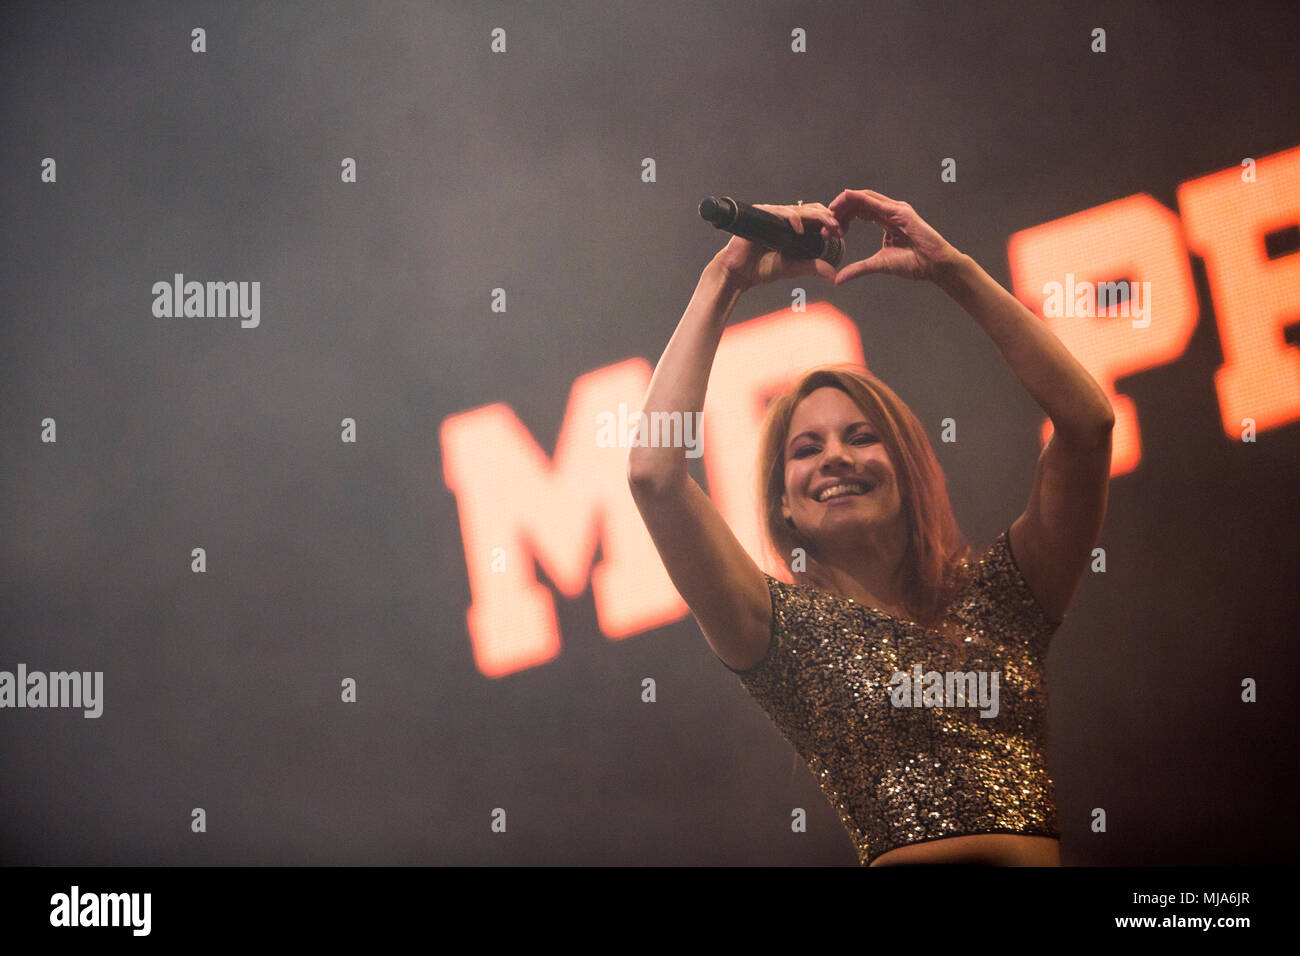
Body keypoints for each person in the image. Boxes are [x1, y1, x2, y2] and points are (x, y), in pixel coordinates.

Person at [627, 190, 1114, 865]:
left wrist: (955, 272)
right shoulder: (778, 634)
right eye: (805, 450)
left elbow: (1088, 427)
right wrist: (724, 279)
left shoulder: (1008, 596)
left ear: (907, 467)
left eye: (861, 437)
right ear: (784, 508)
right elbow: (654, 476)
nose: (835, 457)